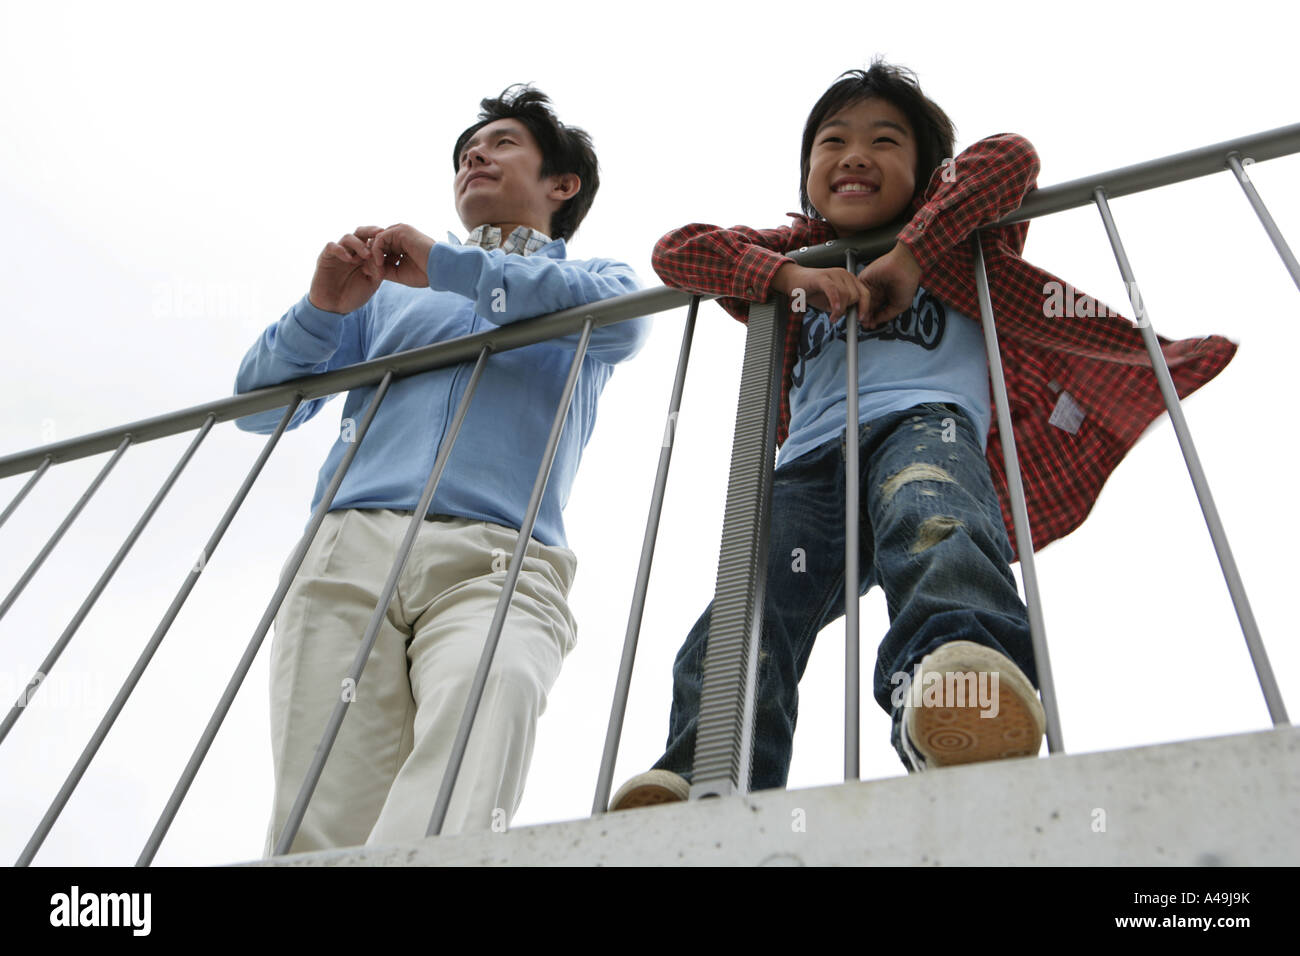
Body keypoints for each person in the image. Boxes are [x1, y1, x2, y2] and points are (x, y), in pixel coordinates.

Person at [611, 61, 1235, 808]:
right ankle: (707, 772)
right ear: (807, 168)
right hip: (809, 467)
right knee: (748, 606)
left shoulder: (963, 238)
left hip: (923, 426)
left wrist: (910, 255)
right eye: (832, 141)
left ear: (926, 167)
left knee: (932, 521)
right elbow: (679, 249)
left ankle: (958, 679)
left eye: (885, 140)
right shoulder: (799, 252)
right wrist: (787, 279)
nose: (854, 156)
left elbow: (1011, 156)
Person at [233, 85, 651, 852]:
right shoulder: (383, 299)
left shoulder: (597, 279)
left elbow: (618, 329)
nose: (474, 159)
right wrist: (323, 310)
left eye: (499, 144)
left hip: (500, 559)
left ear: (563, 185)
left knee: (490, 703)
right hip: (348, 550)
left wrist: (448, 266)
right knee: (320, 814)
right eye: (466, 154)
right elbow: (261, 411)